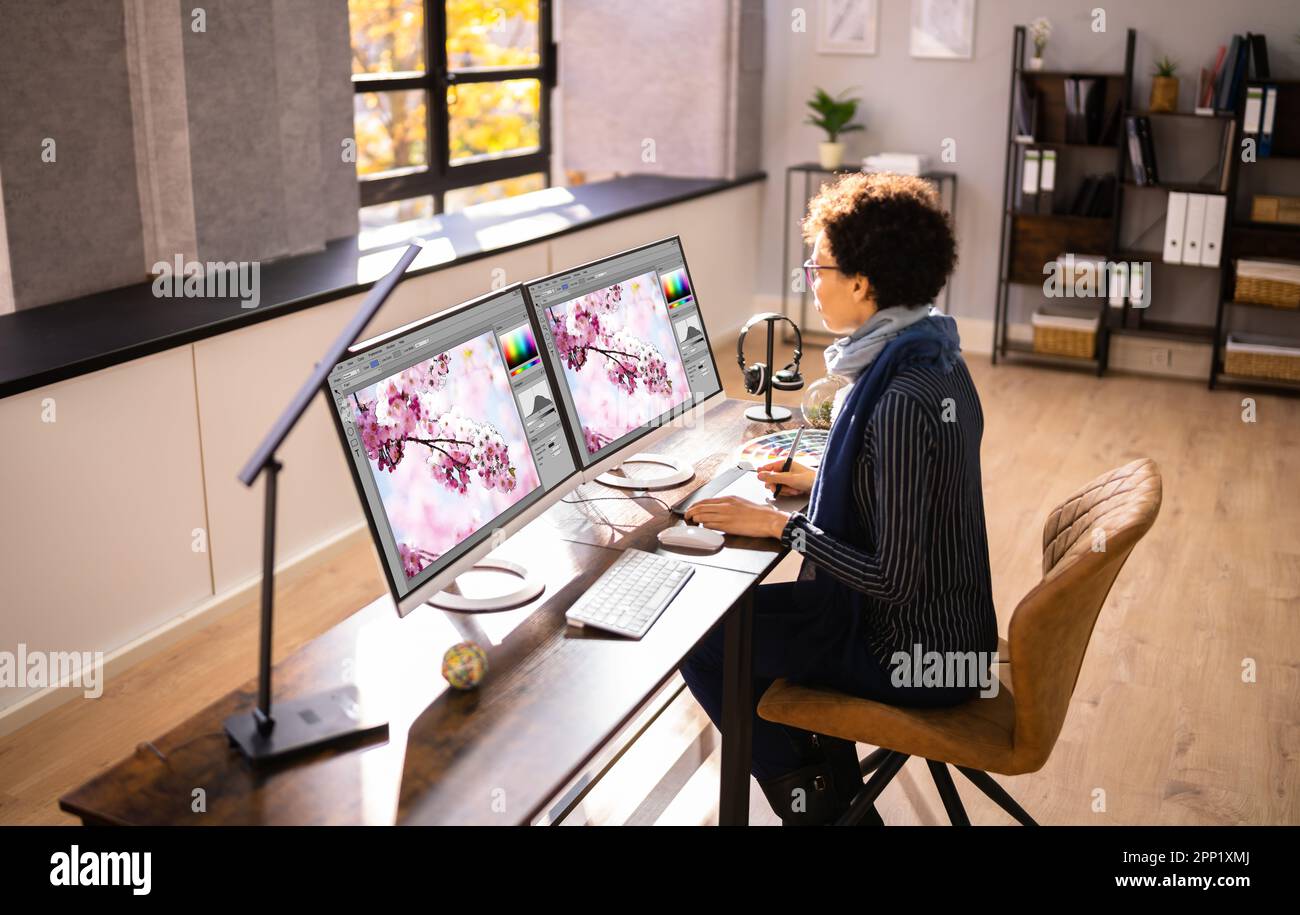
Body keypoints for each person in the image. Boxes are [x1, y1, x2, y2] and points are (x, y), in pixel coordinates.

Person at [680, 172, 998, 826]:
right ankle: (831, 786)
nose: (810, 281)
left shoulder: (905, 399)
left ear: (861, 283)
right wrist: (822, 481)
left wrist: (778, 527)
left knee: (706, 639)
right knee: (746, 632)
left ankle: (824, 811)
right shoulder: (935, 353)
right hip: (947, 633)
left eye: (818, 267)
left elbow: (895, 577)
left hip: (915, 655)